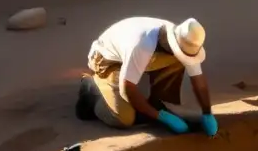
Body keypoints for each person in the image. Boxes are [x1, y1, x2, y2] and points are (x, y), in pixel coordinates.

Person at [75, 16, 217, 136]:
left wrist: (207, 112)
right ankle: (91, 88)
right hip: (107, 60)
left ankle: (155, 102)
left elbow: (199, 80)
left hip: (134, 58)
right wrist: (160, 117)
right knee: (124, 118)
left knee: (178, 60)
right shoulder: (143, 45)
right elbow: (128, 89)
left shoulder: (185, 40)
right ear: (172, 44)